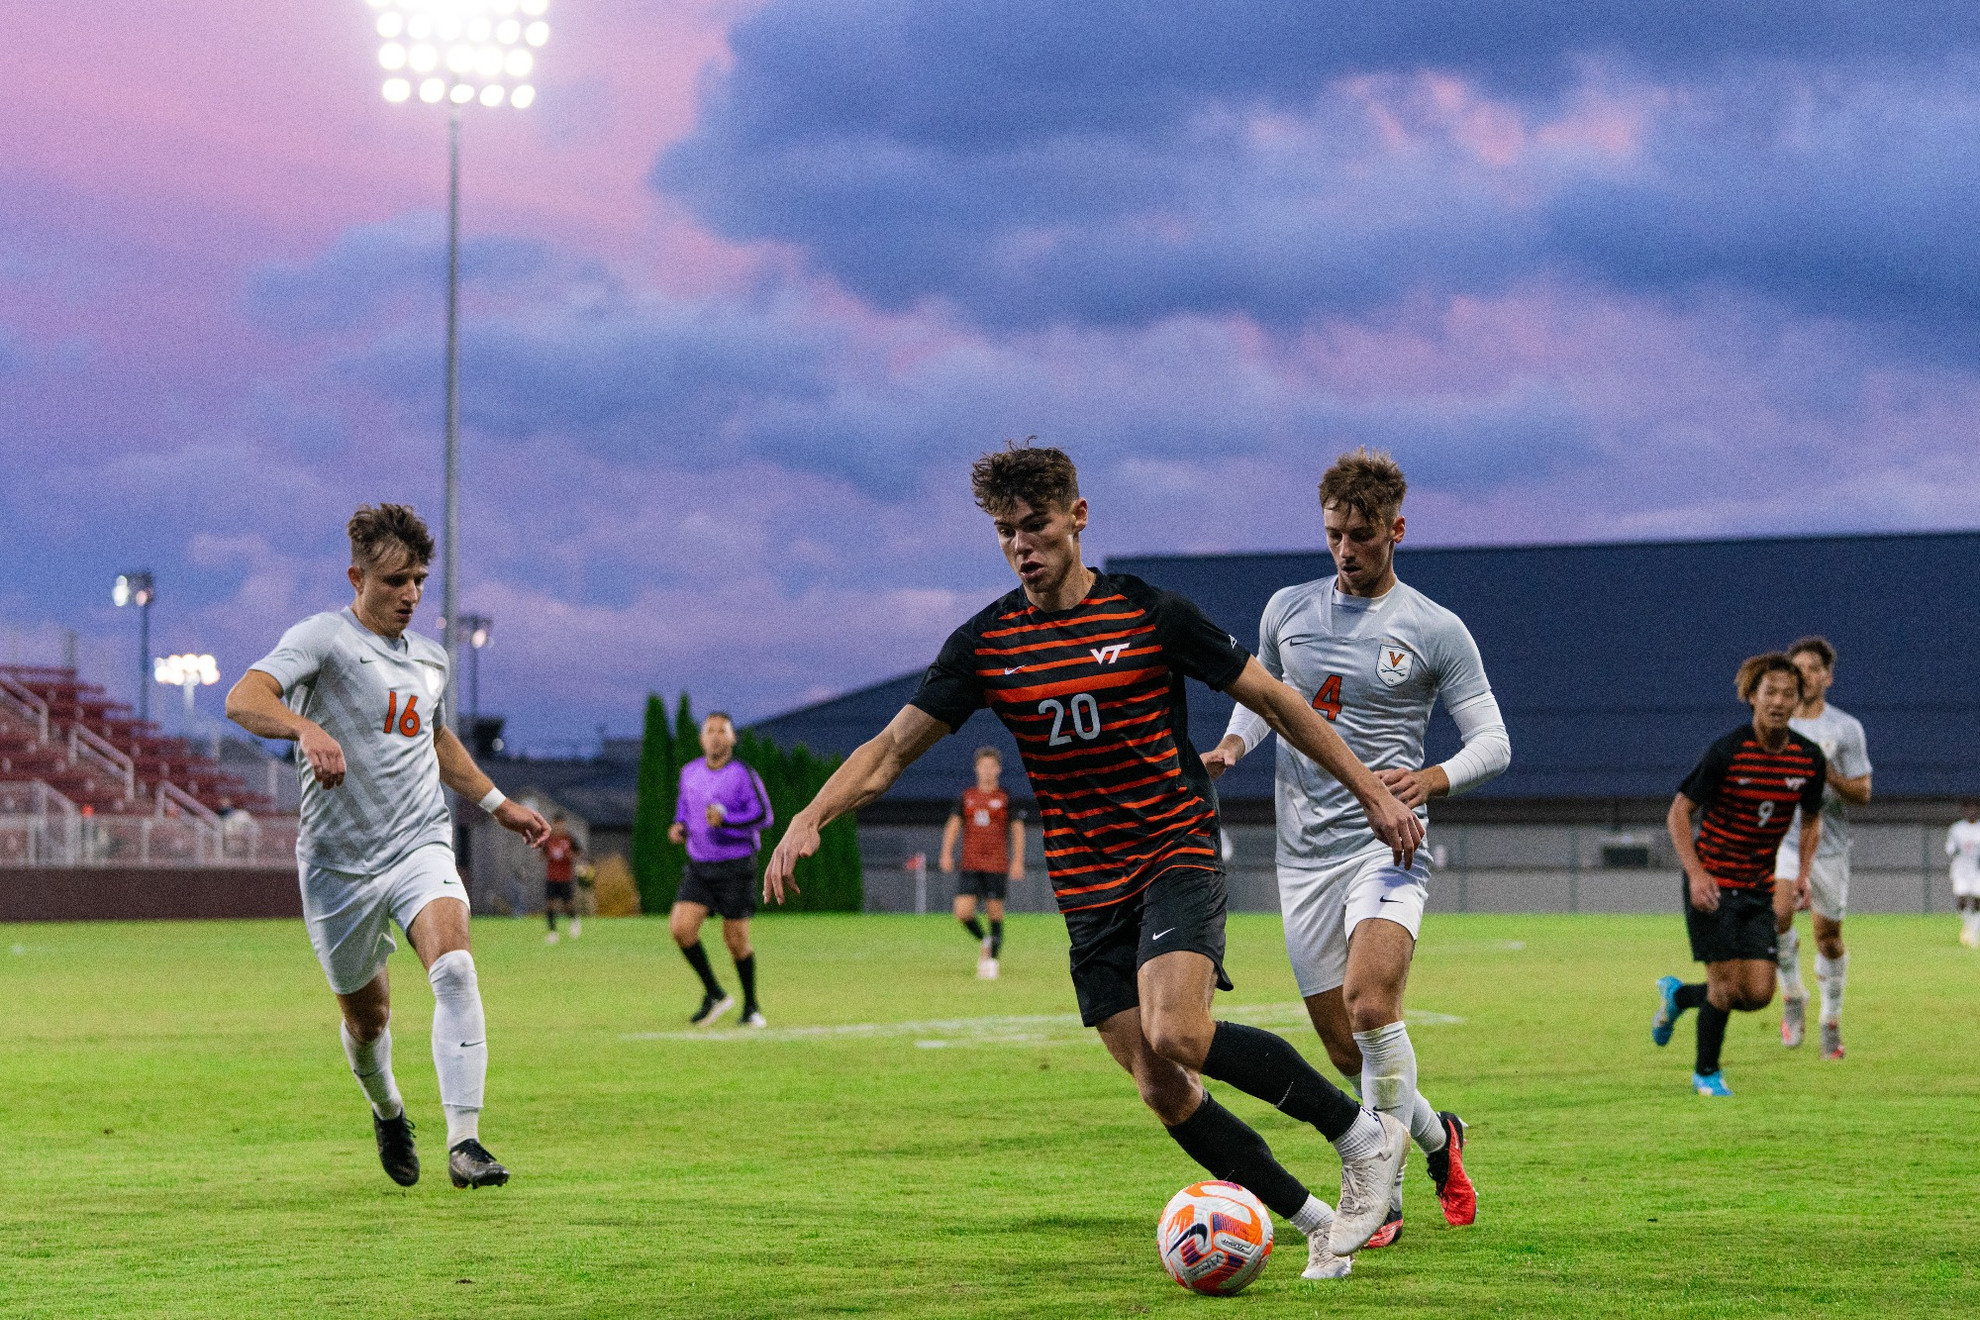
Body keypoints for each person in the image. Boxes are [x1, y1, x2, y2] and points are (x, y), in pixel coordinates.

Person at [763, 443, 1425, 1279]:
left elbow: (1278, 702)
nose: (1021, 546)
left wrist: (1371, 790)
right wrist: (811, 815)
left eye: (1035, 525)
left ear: (1078, 517)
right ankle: (1316, 1221)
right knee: (1159, 1084)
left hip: (1173, 845)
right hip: (1085, 883)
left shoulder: (1148, 614)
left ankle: (1362, 1136)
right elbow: (892, 748)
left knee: (1178, 1029)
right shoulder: (988, 644)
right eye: (1005, 533)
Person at [1202, 447, 1505, 1248]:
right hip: (1302, 856)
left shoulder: (1435, 628)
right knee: (1346, 1049)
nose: (1346, 550)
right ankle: (1442, 1137)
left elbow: (1494, 742)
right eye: (1334, 533)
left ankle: (1385, 1197)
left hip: (1388, 842)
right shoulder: (1287, 609)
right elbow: (1260, 699)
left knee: (1374, 1007)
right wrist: (1231, 751)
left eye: (1362, 535)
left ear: (1396, 530)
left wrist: (1431, 778)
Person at [224, 503, 548, 1189]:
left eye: (419, 581)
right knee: (368, 1021)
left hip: (417, 843)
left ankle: (466, 1142)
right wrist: (303, 730)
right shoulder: (323, 638)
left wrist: (496, 803)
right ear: (357, 577)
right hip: (338, 864)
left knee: (455, 968)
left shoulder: (430, 659)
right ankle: (388, 1108)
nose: (410, 595)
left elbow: (432, 739)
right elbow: (243, 697)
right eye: (396, 581)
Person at [1652, 653, 1825, 1097]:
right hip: (1713, 884)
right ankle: (1706, 1073)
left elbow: (1811, 819)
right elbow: (1679, 812)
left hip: (1758, 888)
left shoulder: (1808, 759)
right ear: (1751, 696)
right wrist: (1696, 874)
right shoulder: (1727, 751)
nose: (1779, 702)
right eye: (1770, 692)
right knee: (1725, 987)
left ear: (1798, 701)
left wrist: (1803, 873)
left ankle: (1678, 997)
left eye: (1789, 694)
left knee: (1759, 994)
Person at [1770, 637, 1871, 1059]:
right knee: (1776, 916)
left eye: (1813, 668)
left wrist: (1827, 775)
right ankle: (1793, 995)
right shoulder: (1774, 723)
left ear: (1827, 677)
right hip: (1782, 839)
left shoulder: (1845, 729)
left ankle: (1831, 1019)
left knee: (1828, 939)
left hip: (1828, 846)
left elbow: (1862, 792)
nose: (1804, 674)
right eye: (1798, 668)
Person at [669, 712, 773, 1028]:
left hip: (736, 865)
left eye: (722, 730)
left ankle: (752, 1007)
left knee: (736, 940)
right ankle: (715, 993)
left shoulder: (743, 774)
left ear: (732, 738)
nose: (715, 736)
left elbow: (764, 816)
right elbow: (683, 811)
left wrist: (727, 821)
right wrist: (679, 827)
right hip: (699, 865)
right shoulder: (689, 773)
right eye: (709, 730)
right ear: (702, 739)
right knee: (681, 929)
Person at [938, 746, 1026, 979]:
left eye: (991, 766)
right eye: (983, 766)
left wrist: (1018, 860)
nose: (987, 771)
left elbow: (1017, 830)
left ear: (998, 769)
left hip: (996, 865)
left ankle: (992, 962)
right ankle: (985, 940)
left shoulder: (1006, 798)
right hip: (971, 863)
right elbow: (953, 825)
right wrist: (946, 853)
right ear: (977, 768)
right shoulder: (967, 797)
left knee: (995, 912)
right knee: (962, 911)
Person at [543, 814, 583, 944]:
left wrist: (568, 855)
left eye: (561, 823)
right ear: (553, 824)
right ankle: (552, 933)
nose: (558, 826)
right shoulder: (549, 839)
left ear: (564, 824)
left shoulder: (569, 838)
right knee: (550, 905)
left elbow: (579, 853)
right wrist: (551, 855)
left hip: (565, 877)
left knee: (567, 906)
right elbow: (542, 855)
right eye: (556, 823)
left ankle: (575, 919)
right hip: (552, 876)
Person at [1949, 801, 1980, 947]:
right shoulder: (1957, 829)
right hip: (1960, 870)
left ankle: (1973, 930)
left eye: (1974, 809)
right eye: (1968, 809)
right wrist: (1957, 850)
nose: (1971, 811)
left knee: (1977, 899)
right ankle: (1967, 926)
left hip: (1977, 870)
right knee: (1961, 899)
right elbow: (1949, 848)